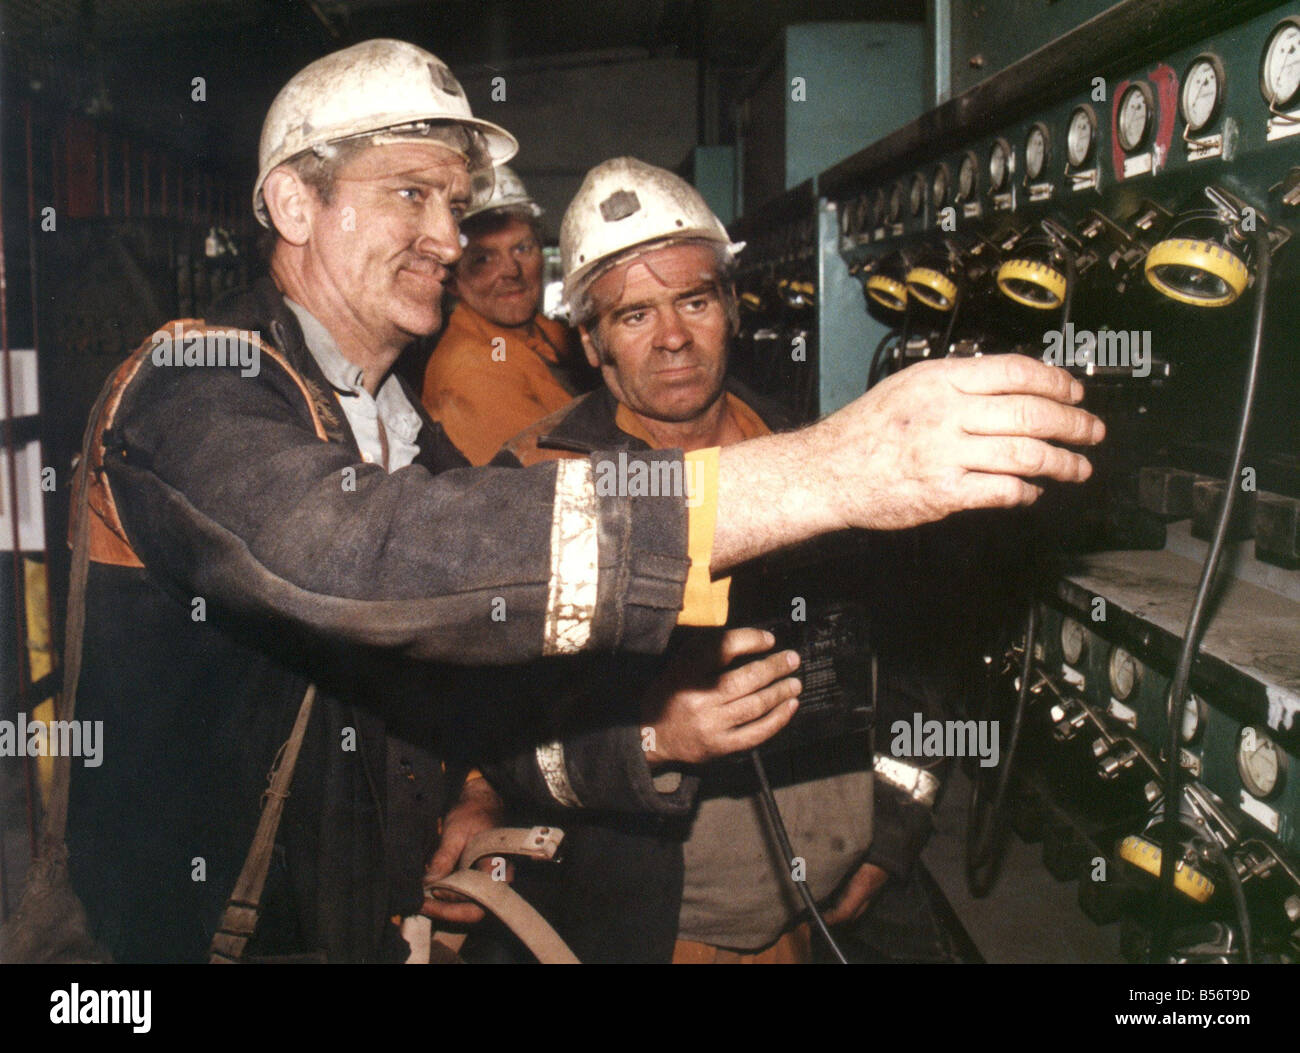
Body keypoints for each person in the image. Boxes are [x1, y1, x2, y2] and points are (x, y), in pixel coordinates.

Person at [60, 38, 1102, 964]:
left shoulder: (396, 432)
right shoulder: (194, 385)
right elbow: (352, 560)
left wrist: (649, 740)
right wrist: (832, 469)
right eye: (409, 195)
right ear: (294, 204)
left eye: (455, 204)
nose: (448, 236)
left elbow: (467, 709)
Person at [474, 158, 951, 963]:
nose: (671, 338)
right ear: (591, 342)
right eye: (632, 315)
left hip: (826, 917)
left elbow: (919, 657)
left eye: (694, 301)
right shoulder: (535, 484)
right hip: (652, 933)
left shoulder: (816, 460)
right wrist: (649, 739)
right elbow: (495, 735)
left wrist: (890, 838)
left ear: (729, 308)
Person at [421, 166, 593, 464]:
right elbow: (556, 485)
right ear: (452, 280)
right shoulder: (471, 371)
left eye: (522, 248)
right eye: (483, 259)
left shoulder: (548, 333)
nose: (511, 271)